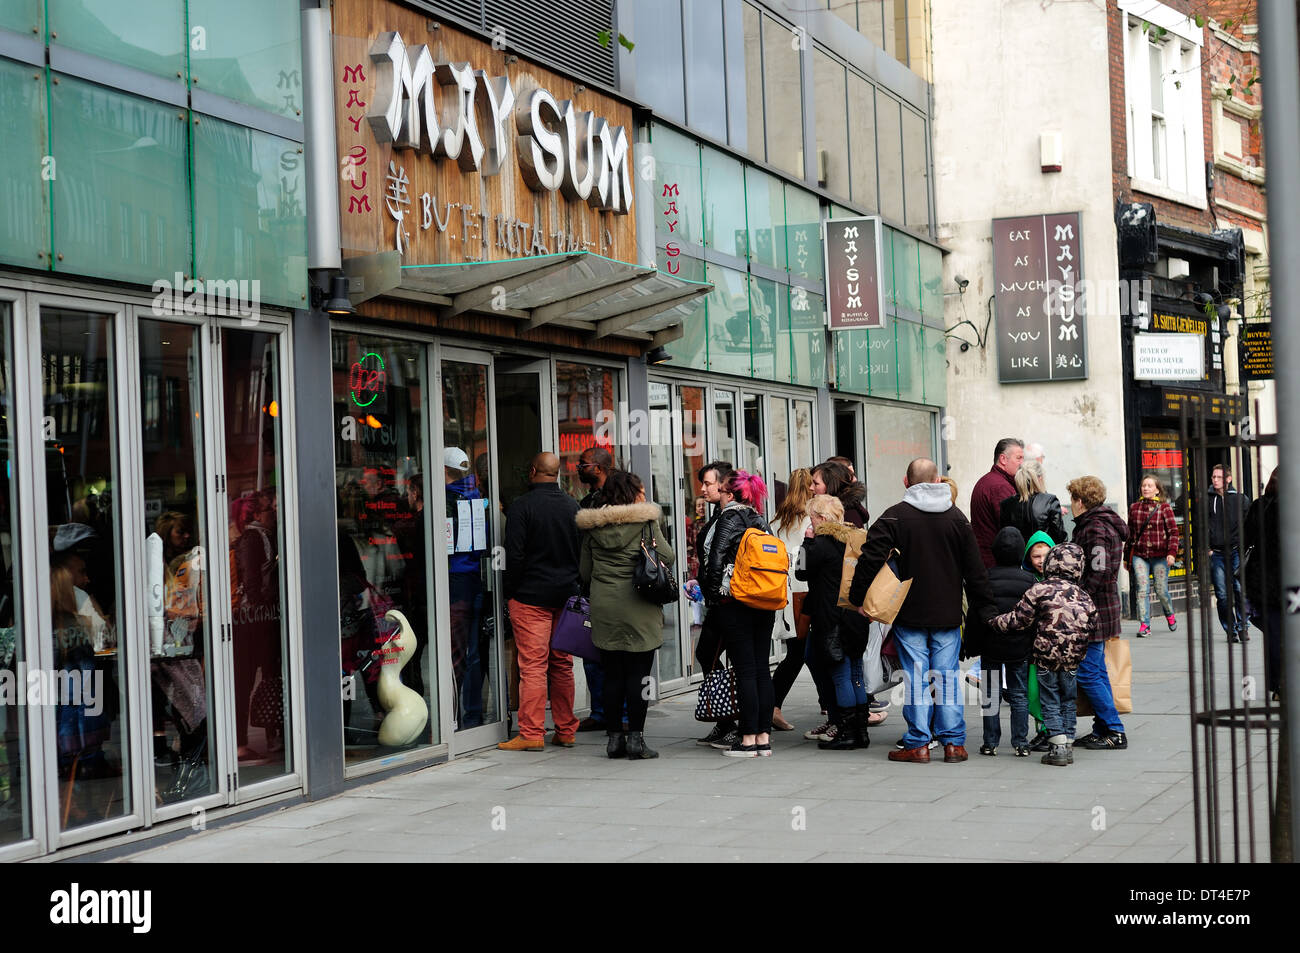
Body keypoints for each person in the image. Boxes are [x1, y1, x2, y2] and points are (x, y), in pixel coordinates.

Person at [848, 458, 994, 764]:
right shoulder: (957, 519)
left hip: (910, 613)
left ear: (906, 482)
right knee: (948, 677)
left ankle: (918, 743)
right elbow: (976, 570)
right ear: (939, 481)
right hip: (948, 614)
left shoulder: (895, 517)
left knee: (916, 677)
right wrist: (985, 608)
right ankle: (954, 743)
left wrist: (858, 598)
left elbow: (869, 557)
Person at [576, 470, 672, 759]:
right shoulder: (646, 523)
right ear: (633, 493)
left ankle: (614, 739)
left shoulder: (593, 527)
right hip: (639, 605)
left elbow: (585, 572)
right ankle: (636, 740)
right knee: (639, 676)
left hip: (605, 607)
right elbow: (667, 557)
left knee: (611, 674)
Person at [498, 452, 582, 751]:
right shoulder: (572, 505)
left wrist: (510, 591)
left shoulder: (522, 507)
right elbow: (581, 552)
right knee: (562, 664)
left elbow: (515, 555)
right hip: (566, 594)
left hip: (531, 597)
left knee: (533, 666)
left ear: (533, 471)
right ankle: (566, 729)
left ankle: (532, 733)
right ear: (557, 474)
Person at [988, 543, 1095, 767]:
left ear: (1049, 564)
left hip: (1046, 657)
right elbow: (1092, 624)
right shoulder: (1084, 595)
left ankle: (1057, 747)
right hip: (1073, 658)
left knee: (1050, 701)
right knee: (1068, 700)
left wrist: (994, 622)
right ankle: (1068, 742)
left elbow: (1019, 619)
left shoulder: (1040, 589)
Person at [700, 469, 776, 757]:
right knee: (760, 670)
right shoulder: (760, 519)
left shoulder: (729, 518)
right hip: (764, 602)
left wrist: (711, 598)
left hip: (735, 603)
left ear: (729, 494)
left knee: (744, 670)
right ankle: (763, 738)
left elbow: (716, 559)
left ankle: (746, 739)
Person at [796, 494, 871, 750]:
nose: (811, 522)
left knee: (841, 676)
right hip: (856, 616)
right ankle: (861, 732)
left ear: (822, 518)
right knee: (856, 674)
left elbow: (800, 572)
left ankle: (847, 733)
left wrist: (806, 543)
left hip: (831, 619)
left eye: (812, 518)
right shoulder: (855, 539)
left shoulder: (820, 545)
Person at [1067, 476, 1129, 750]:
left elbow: (1099, 568)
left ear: (1081, 501)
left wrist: (1081, 598)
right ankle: (1102, 727)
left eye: (1072, 500)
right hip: (1102, 606)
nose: (1069, 506)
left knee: (1087, 672)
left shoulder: (1094, 527)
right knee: (1097, 669)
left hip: (1095, 609)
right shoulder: (1100, 522)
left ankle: (1114, 729)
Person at [963, 527, 1035, 756]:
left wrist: (970, 645)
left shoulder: (986, 578)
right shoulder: (1029, 580)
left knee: (990, 695)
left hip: (990, 645)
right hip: (1020, 646)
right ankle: (1021, 742)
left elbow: (975, 614)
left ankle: (990, 742)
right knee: (1019, 694)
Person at [692, 460, 739, 750]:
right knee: (708, 654)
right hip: (716, 600)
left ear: (724, 486)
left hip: (729, 601)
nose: (703, 488)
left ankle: (736, 720)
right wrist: (699, 581)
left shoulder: (732, 517)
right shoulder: (715, 517)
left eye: (708, 483)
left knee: (724, 657)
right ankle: (726, 719)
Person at [575, 444, 617, 732]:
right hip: (592, 587)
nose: (579, 468)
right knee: (591, 653)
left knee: (617, 655)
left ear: (598, 468)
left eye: (584, 464)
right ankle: (601, 711)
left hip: (616, 586)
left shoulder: (619, 499)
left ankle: (620, 715)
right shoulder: (588, 501)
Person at [770, 468, 815, 732]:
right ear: (809, 488)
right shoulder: (811, 520)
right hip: (805, 591)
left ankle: (773, 706)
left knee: (799, 652)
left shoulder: (777, 520)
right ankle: (773, 705)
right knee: (801, 653)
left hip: (783, 592)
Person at [445, 448, 486, 729]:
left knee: (456, 654)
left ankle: (452, 717)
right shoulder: (479, 497)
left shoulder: (446, 500)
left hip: (455, 581)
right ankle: (473, 714)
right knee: (475, 653)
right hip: (478, 580)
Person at [1124, 473, 1180, 638]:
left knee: (1161, 589)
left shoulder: (1164, 508)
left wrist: (1171, 553)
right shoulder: (1134, 508)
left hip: (1160, 555)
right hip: (1139, 555)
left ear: (1157, 490)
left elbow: (1173, 533)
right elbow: (1130, 535)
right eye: (1144, 485)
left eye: (1149, 486)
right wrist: (1126, 558)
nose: (1146, 488)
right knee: (1142, 588)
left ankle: (1169, 613)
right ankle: (1144, 625)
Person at [1245, 468, 1282, 698]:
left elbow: (1247, 539)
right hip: (1290, 584)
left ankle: (1278, 685)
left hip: (1263, 583)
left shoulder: (1259, 506)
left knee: (1274, 635)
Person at [1207, 462, 1251, 642]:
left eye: (1219, 477)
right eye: (1213, 477)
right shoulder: (1208, 500)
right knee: (1222, 595)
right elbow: (1201, 524)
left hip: (1236, 551)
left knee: (1240, 590)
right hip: (1216, 553)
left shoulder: (1240, 499)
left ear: (1228, 479)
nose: (1215, 480)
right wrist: (1207, 547)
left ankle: (1243, 626)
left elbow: (1249, 525)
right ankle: (1230, 630)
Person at [971, 438, 1024, 567]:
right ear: (1003, 459)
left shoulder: (988, 481)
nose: (1022, 463)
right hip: (996, 564)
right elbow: (1012, 531)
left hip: (984, 562)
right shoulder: (1001, 487)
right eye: (1018, 458)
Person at [999, 459, 1066, 545]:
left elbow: (1005, 537)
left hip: (1017, 556)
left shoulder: (1006, 504)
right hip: (1044, 554)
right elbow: (1060, 536)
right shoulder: (1050, 501)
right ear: (1040, 478)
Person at [810, 460, 869, 528]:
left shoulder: (849, 515)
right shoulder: (829, 510)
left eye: (816, 484)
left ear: (831, 486)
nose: (811, 487)